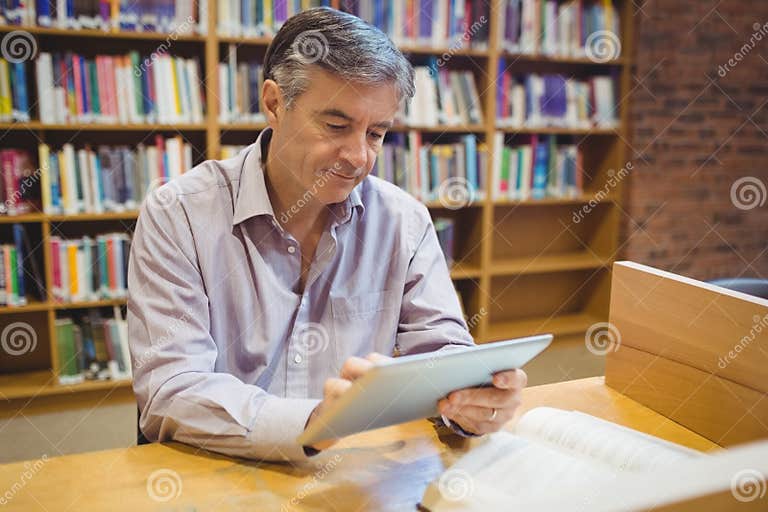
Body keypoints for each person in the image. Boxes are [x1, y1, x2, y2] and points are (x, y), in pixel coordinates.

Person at [127, 6, 527, 462]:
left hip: (350, 478)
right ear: (275, 104)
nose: (358, 157)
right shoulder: (178, 215)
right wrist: (309, 423)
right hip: (212, 476)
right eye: (336, 126)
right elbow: (170, 389)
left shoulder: (404, 222)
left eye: (376, 133)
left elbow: (441, 350)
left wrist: (472, 399)